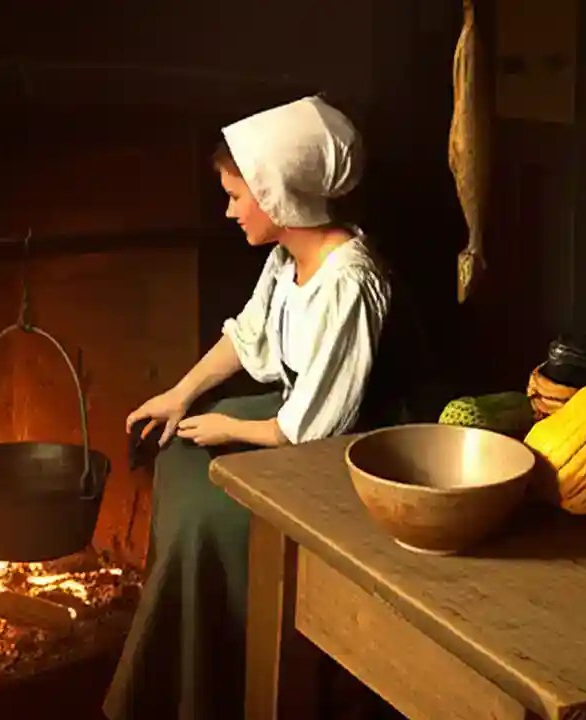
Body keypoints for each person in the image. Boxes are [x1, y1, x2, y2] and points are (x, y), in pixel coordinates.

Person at [102, 95, 392, 719]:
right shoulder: (286, 260)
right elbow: (248, 338)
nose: (229, 210)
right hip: (293, 422)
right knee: (178, 458)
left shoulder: (348, 282)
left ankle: (219, 687)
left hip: (344, 457)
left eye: (238, 196)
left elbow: (314, 428)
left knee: (207, 512)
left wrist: (230, 426)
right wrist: (180, 395)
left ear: (280, 193)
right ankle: (175, 669)